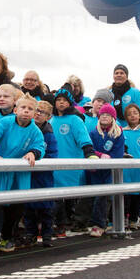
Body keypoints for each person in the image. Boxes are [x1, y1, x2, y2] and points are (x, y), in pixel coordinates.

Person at [0, 93, 45, 254]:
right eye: (23, 107)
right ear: (15, 110)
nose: (26, 111)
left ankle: (6, 237)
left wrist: (33, 153)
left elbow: (40, 146)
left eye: (30, 109)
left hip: (17, 172)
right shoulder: (5, 122)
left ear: (35, 114)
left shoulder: (35, 131)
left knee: (16, 206)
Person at [49, 88, 93, 235]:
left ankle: (72, 220)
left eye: (64, 101)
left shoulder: (75, 119)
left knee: (70, 194)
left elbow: (83, 137)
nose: (61, 103)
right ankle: (60, 223)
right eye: (58, 100)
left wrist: (89, 152)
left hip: (71, 162)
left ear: (70, 103)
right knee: (56, 195)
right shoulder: (52, 120)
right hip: (54, 162)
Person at [23, 99, 58, 246]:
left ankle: (47, 235)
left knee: (45, 207)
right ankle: (30, 233)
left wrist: (39, 159)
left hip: (43, 175)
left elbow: (53, 154)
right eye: (36, 110)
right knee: (28, 207)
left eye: (42, 112)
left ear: (49, 116)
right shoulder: (27, 129)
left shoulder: (49, 134)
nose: (37, 114)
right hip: (28, 173)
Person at [86, 104, 124, 237]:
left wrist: (110, 157)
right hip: (95, 169)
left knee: (105, 196)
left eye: (108, 115)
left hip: (110, 170)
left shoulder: (118, 133)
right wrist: (99, 155)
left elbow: (119, 152)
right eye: (102, 115)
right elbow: (89, 148)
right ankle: (94, 221)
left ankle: (99, 224)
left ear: (113, 118)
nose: (105, 117)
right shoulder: (93, 133)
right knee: (95, 196)